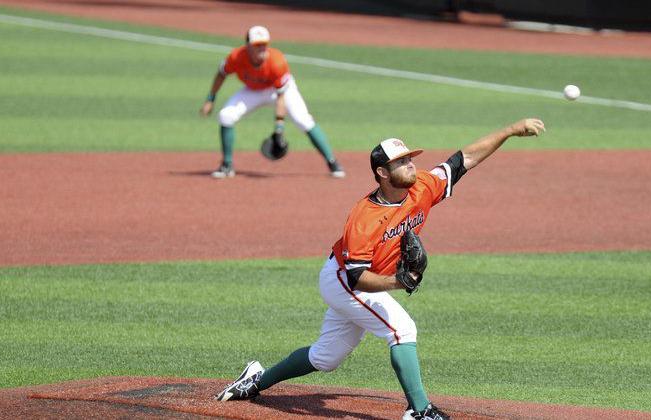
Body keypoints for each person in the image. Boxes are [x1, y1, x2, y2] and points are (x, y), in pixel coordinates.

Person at [214, 118, 546, 419]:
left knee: (325, 358)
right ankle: (420, 411)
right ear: (382, 173)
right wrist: (398, 282)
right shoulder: (364, 217)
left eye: (410, 158)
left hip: (357, 280)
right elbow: (357, 277)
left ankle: (257, 379)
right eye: (401, 162)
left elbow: (463, 160)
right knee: (401, 329)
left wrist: (510, 130)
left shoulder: (421, 187)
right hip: (345, 281)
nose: (410, 165)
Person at [199, 25, 345, 179]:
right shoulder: (236, 57)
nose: (262, 48)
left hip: (280, 91)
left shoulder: (277, 61)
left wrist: (279, 128)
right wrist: (211, 98)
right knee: (226, 115)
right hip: (253, 91)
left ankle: (332, 162)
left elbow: (281, 96)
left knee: (303, 120)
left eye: (264, 44)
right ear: (248, 45)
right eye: (257, 45)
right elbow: (221, 74)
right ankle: (227, 165)